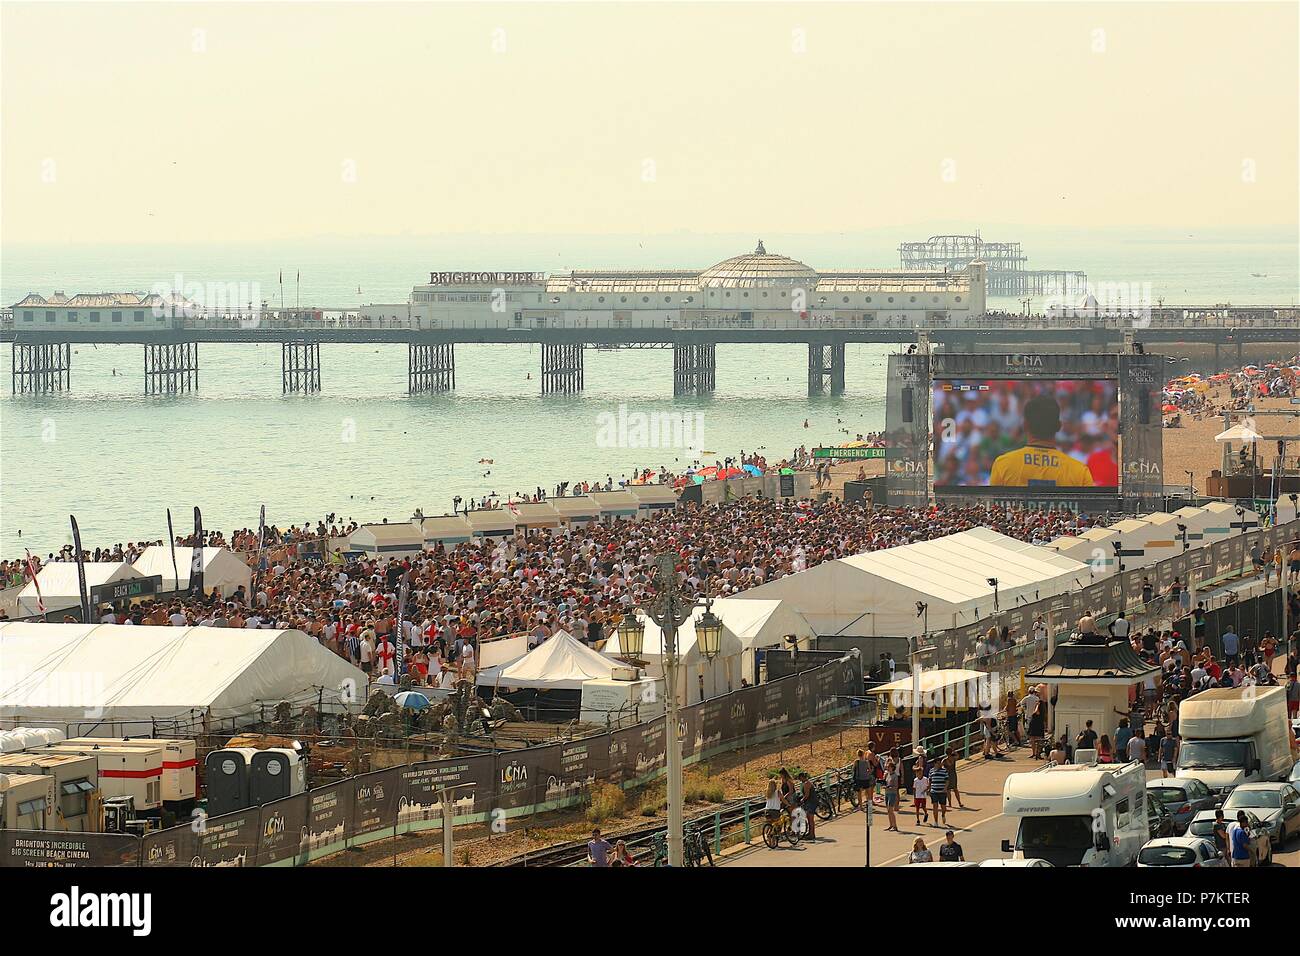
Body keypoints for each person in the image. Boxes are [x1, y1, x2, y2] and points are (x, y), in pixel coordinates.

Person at [988, 394, 1095, 488]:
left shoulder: (1003, 465)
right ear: (1059, 426)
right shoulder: (1079, 472)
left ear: (1025, 426)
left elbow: (993, 508)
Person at [798, 772, 819, 841]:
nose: (800, 780)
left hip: (811, 802)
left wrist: (802, 800)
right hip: (811, 802)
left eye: (800, 778)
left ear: (802, 777)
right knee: (810, 819)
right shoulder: (808, 782)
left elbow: (807, 795)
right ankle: (810, 833)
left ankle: (812, 834)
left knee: (810, 819)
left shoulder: (806, 784)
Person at [929, 758, 949, 826]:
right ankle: (936, 822)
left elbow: (947, 780)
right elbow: (930, 781)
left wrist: (945, 788)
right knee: (935, 806)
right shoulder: (931, 771)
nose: (939, 764)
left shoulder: (944, 771)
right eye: (937, 763)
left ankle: (943, 815)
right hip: (934, 791)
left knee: (943, 807)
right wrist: (929, 789)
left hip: (942, 791)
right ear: (934, 764)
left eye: (940, 763)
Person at [883, 758, 901, 832]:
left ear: (892, 768)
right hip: (887, 793)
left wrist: (889, 787)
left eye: (889, 767)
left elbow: (896, 786)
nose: (887, 768)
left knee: (891, 809)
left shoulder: (895, 776)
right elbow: (885, 782)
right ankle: (891, 824)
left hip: (892, 793)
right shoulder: (887, 775)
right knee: (888, 810)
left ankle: (895, 825)